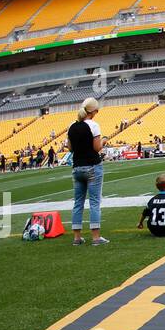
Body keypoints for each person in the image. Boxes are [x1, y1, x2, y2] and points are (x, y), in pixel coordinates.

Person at [67, 97, 107, 246]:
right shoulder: (93, 125)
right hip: (92, 166)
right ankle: (96, 237)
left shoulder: (72, 125)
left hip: (76, 167)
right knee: (95, 202)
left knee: (78, 203)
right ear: (94, 111)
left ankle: (77, 238)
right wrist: (104, 141)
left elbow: (70, 148)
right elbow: (97, 148)